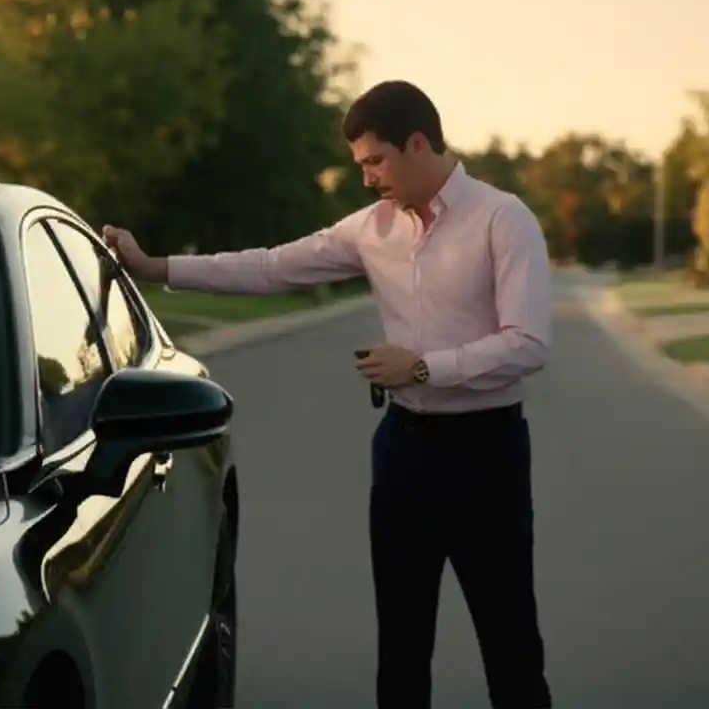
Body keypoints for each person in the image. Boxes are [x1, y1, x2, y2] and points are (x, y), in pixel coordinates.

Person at [103, 79, 553, 709]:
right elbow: (270, 266)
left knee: (509, 647)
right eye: (361, 165)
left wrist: (422, 367)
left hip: (487, 453)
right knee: (400, 646)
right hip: (404, 451)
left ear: (417, 143)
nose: (367, 178)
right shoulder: (372, 228)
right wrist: (157, 268)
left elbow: (528, 343)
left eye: (376, 161)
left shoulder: (503, 220)